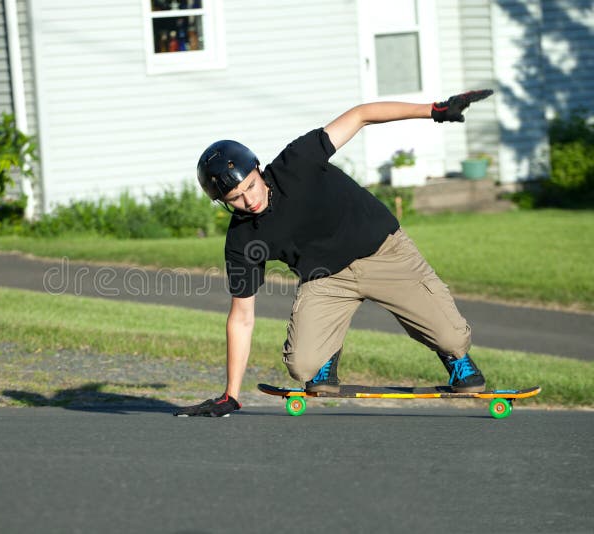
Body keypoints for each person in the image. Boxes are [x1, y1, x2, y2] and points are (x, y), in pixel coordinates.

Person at [174, 90, 494, 417]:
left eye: (251, 186)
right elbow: (242, 317)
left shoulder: (297, 162)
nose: (249, 200)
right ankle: (326, 357)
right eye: (236, 199)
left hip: (384, 254)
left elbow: (360, 115)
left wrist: (433, 110)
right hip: (326, 280)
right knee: (302, 366)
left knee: (452, 338)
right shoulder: (241, 239)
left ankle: (455, 359)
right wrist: (231, 395)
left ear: (257, 168)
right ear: (223, 202)